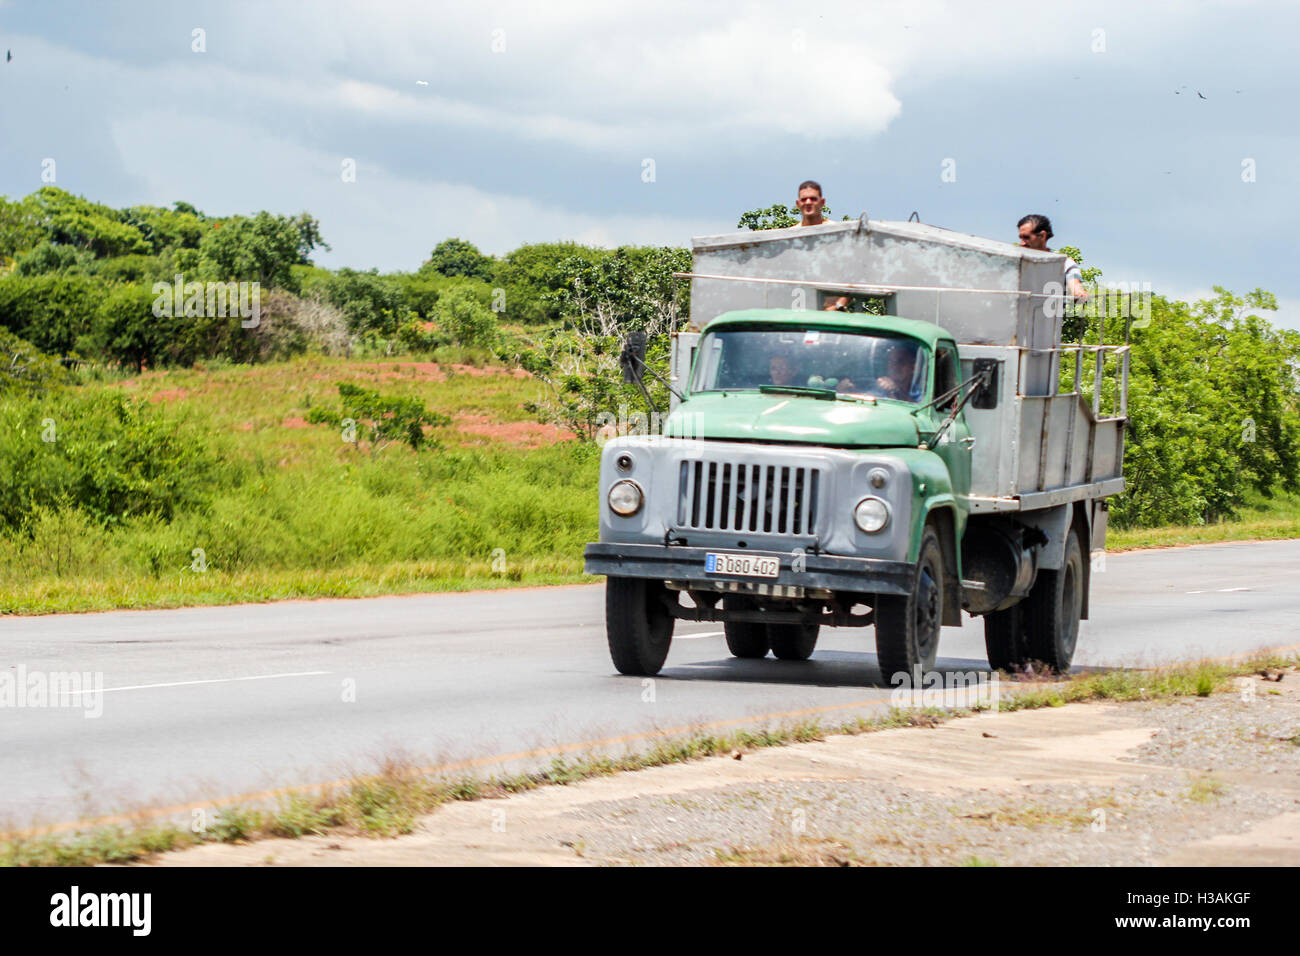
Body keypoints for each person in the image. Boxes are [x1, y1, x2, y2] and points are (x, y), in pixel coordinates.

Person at [794, 180, 851, 311]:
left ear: (822, 202)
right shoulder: (790, 235)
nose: (808, 202)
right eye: (804, 199)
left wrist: (838, 306)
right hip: (798, 312)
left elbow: (853, 273)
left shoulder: (837, 233)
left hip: (832, 316)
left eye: (813, 199)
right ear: (798, 204)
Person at [1017, 214, 1089, 300]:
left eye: (1026, 237)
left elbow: (1075, 284)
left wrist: (1078, 292)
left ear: (1042, 235)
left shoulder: (1064, 263)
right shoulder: (1015, 261)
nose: (1022, 243)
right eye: (1020, 238)